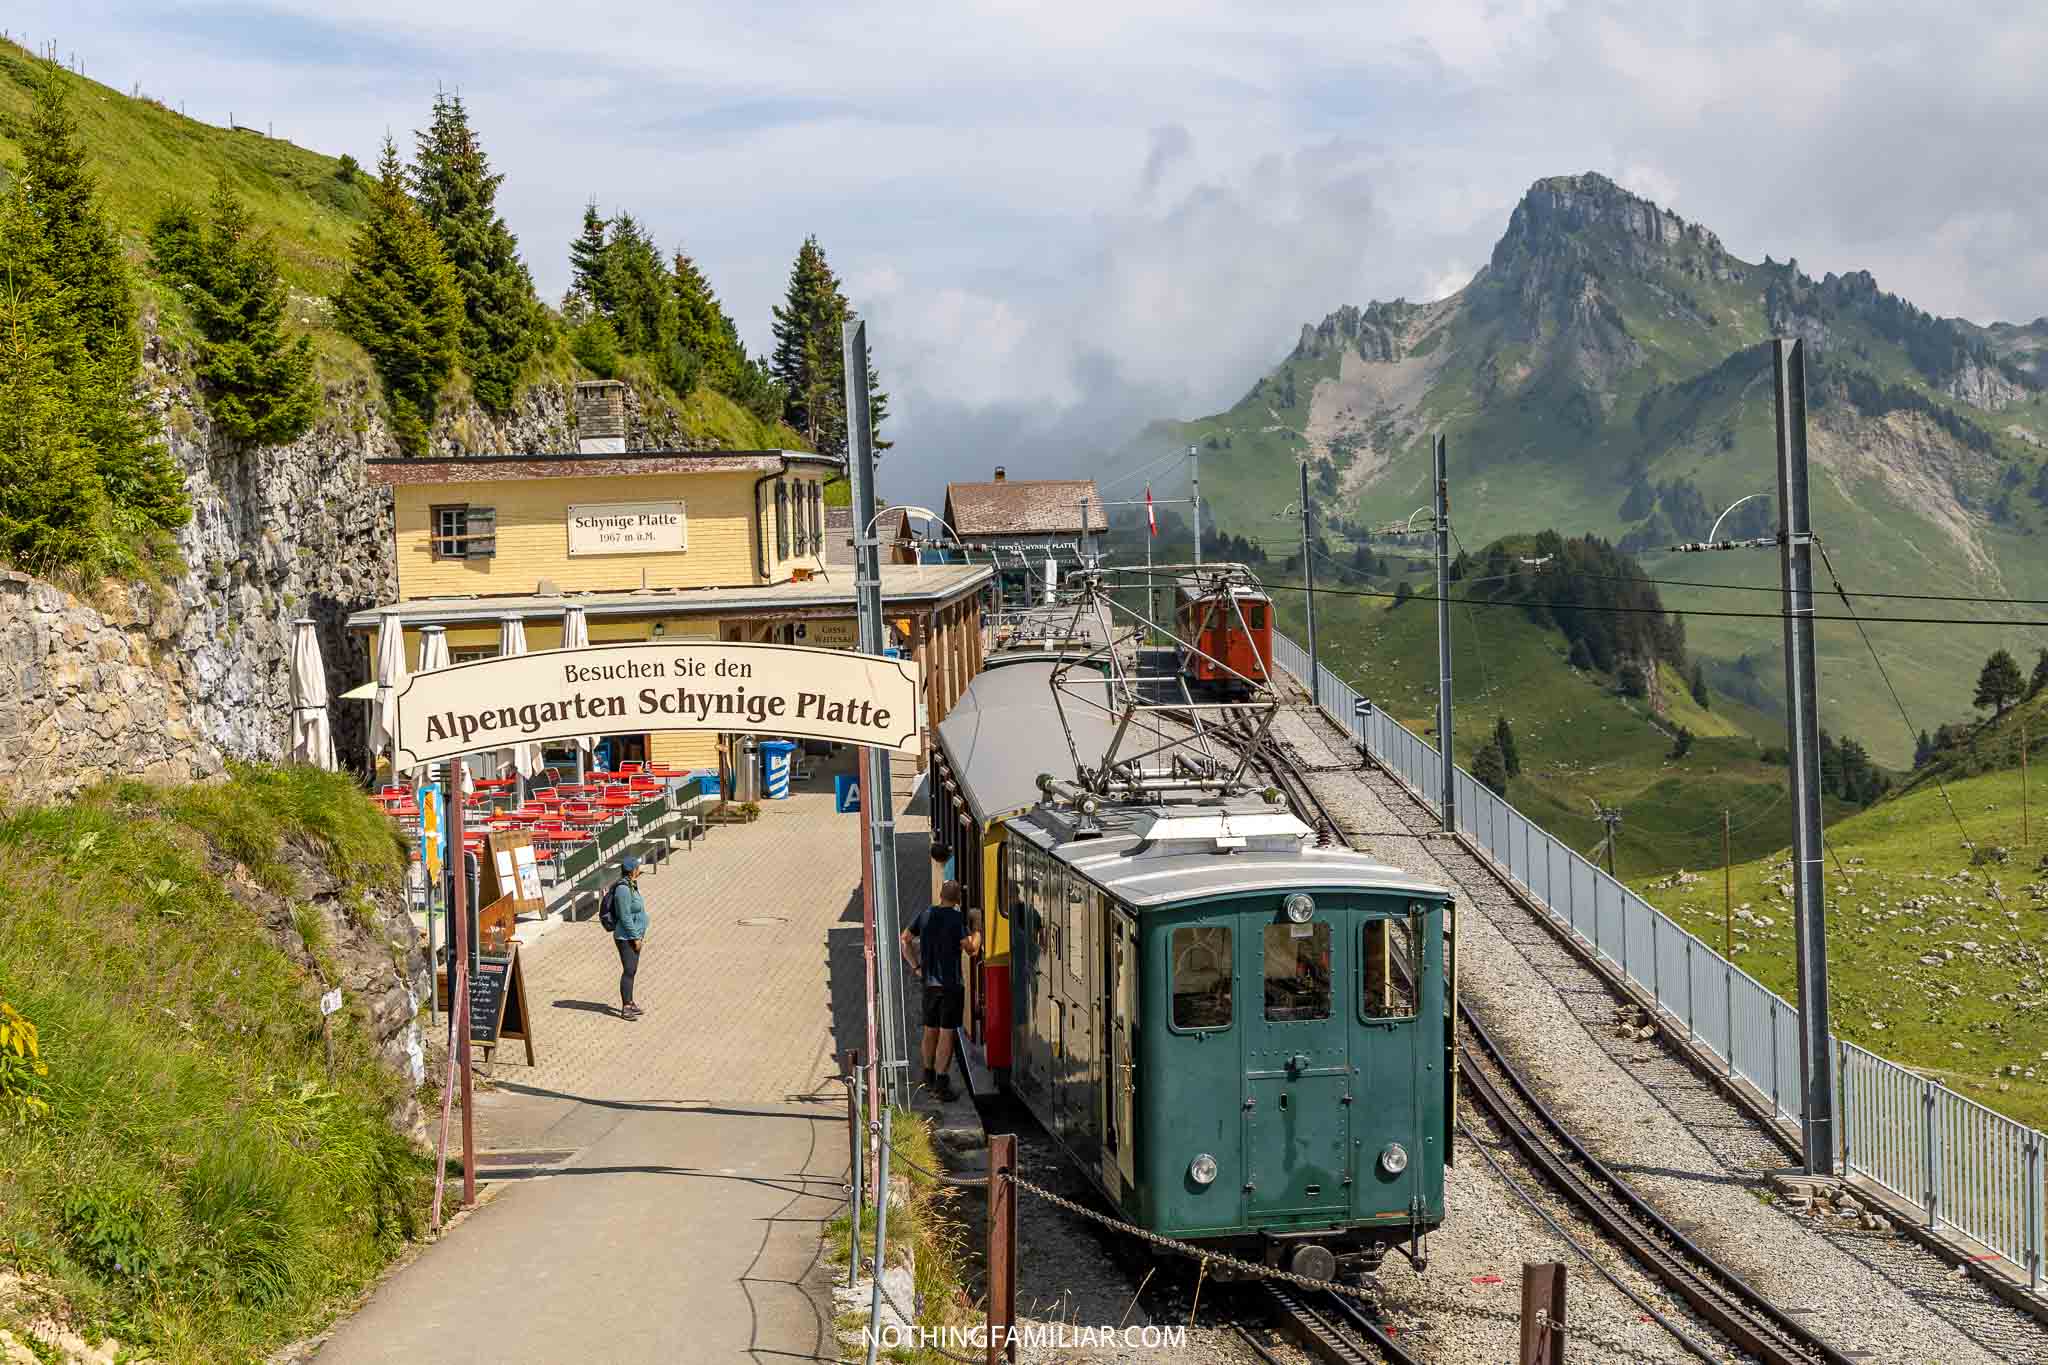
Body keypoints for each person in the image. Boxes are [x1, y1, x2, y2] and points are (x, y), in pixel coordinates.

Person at [899, 880, 981, 1101]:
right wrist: (977, 929)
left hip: (929, 984)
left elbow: (905, 939)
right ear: (958, 900)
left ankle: (927, 1076)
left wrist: (916, 967)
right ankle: (942, 1083)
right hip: (951, 985)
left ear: (940, 894)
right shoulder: (956, 919)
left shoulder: (925, 914)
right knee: (947, 1033)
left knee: (930, 1029)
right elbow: (971, 949)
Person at [608, 854, 648, 1019]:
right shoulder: (623, 890)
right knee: (629, 970)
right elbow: (624, 917)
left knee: (632, 970)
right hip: (626, 938)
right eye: (638, 867)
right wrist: (635, 937)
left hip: (633, 935)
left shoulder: (631, 884)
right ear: (632, 871)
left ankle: (630, 1002)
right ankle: (626, 1007)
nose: (640, 869)